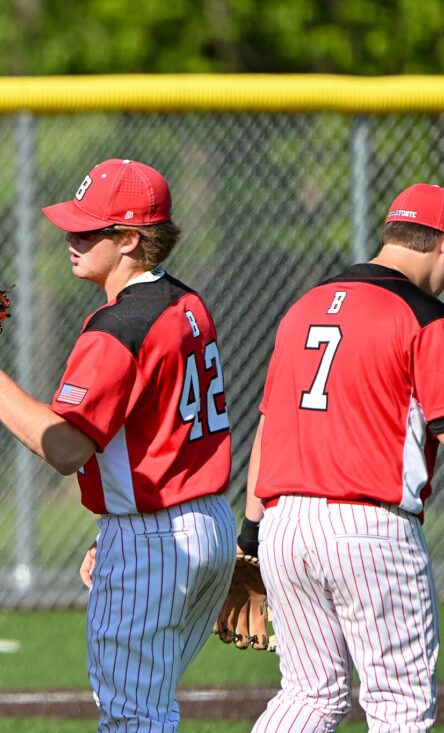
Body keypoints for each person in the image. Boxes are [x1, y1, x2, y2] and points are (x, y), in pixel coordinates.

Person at [0, 159, 236, 730]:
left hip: (155, 537)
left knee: (133, 717)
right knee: (151, 705)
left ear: (129, 240)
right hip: (206, 524)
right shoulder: (186, 301)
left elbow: (67, 447)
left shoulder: (120, 325)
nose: (70, 239)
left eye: (87, 230)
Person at [242, 183, 444, 732]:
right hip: (368, 527)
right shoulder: (426, 315)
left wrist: (249, 536)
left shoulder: (304, 304)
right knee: (398, 702)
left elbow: (267, 424)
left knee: (309, 695)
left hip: (283, 522)